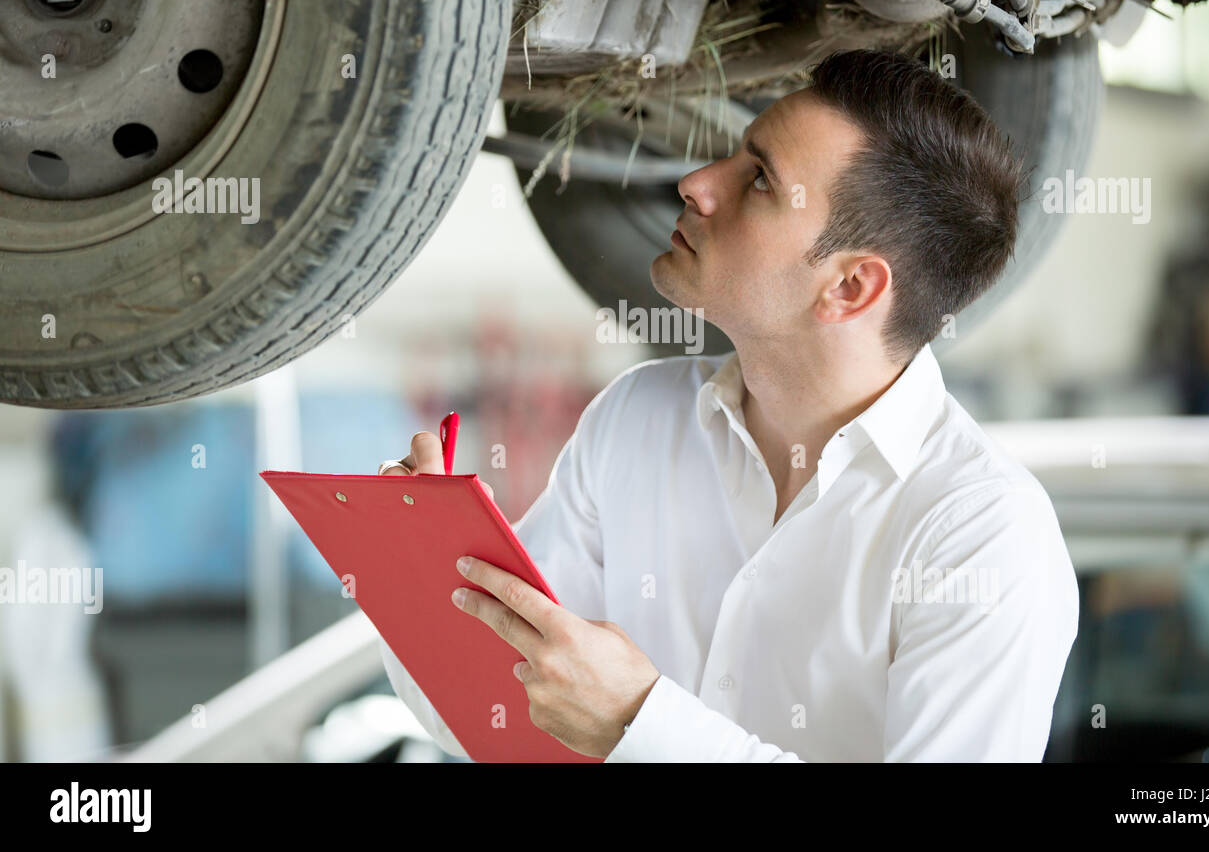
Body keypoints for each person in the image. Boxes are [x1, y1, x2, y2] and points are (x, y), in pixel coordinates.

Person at [379, 48, 1079, 762]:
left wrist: (639, 725)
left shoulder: (982, 537)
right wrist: (425, 565)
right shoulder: (636, 420)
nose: (696, 183)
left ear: (850, 289)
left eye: (759, 181)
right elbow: (499, 717)